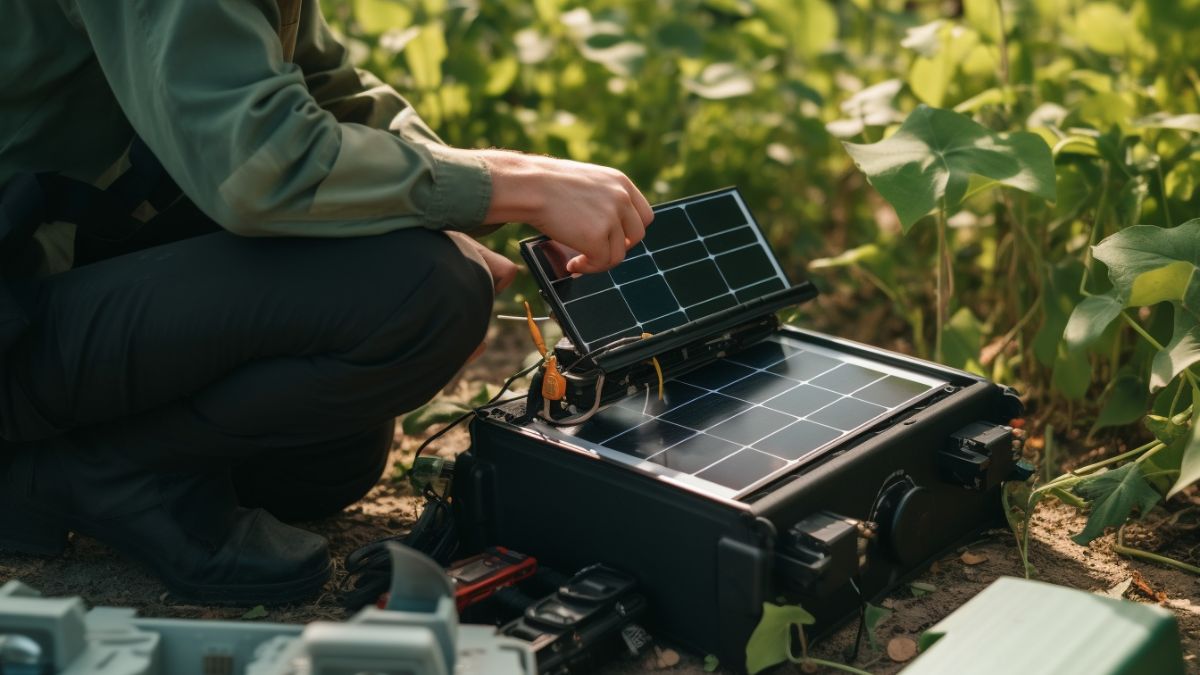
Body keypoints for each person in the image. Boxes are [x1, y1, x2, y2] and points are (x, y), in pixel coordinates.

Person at [0, 0, 653, 604]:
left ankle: (60, 465)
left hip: (62, 282)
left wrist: (464, 204)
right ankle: (97, 476)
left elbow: (326, 90)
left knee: (329, 461)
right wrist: (512, 186)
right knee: (422, 290)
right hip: (15, 309)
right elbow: (259, 162)